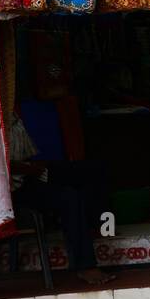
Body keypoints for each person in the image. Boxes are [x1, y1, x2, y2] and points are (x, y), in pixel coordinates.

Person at [9, 117, 113, 286]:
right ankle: (85, 265)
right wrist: (30, 169)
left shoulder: (11, 117)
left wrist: (36, 167)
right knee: (69, 197)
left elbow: (27, 155)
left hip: (28, 174)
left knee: (96, 169)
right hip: (12, 188)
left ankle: (105, 227)